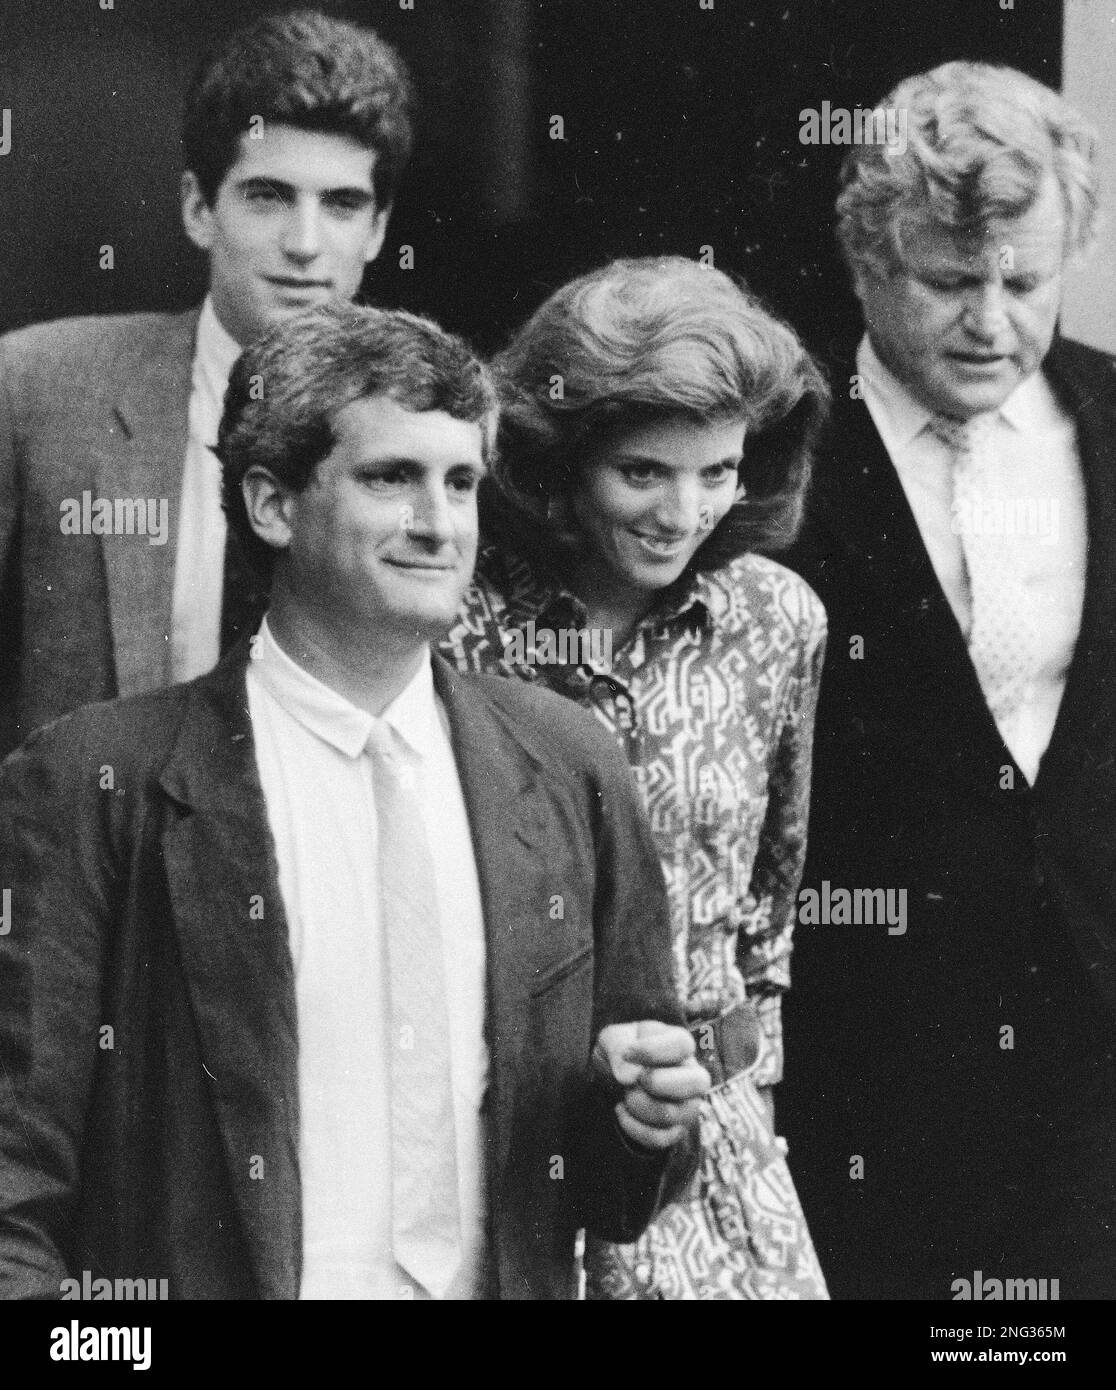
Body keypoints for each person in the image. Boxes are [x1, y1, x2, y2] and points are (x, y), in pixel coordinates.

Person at [0, 302, 710, 1301]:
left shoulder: (567, 763)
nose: (440, 523)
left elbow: (618, 1182)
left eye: (460, 482)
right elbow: (13, 1183)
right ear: (272, 504)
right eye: (392, 478)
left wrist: (649, 1123)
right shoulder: (92, 780)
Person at [780, 60, 1116, 1300]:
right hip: (867, 1046)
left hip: (1095, 1047)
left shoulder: (1113, 422)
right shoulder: (779, 456)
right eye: (948, 279)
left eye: (1024, 281)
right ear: (869, 265)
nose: (991, 322)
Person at [439, 255, 831, 1299]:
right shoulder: (457, 617)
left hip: (713, 1149)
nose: (685, 510)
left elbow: (766, 916)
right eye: (644, 472)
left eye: (719, 471)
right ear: (559, 461)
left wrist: (752, 1115)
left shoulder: (776, 620)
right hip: (508, 1146)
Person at [0, 8, 412, 755]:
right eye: (268, 196)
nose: (304, 244)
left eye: (342, 204)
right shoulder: (33, 390)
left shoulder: (425, 440)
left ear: (378, 231)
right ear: (198, 208)